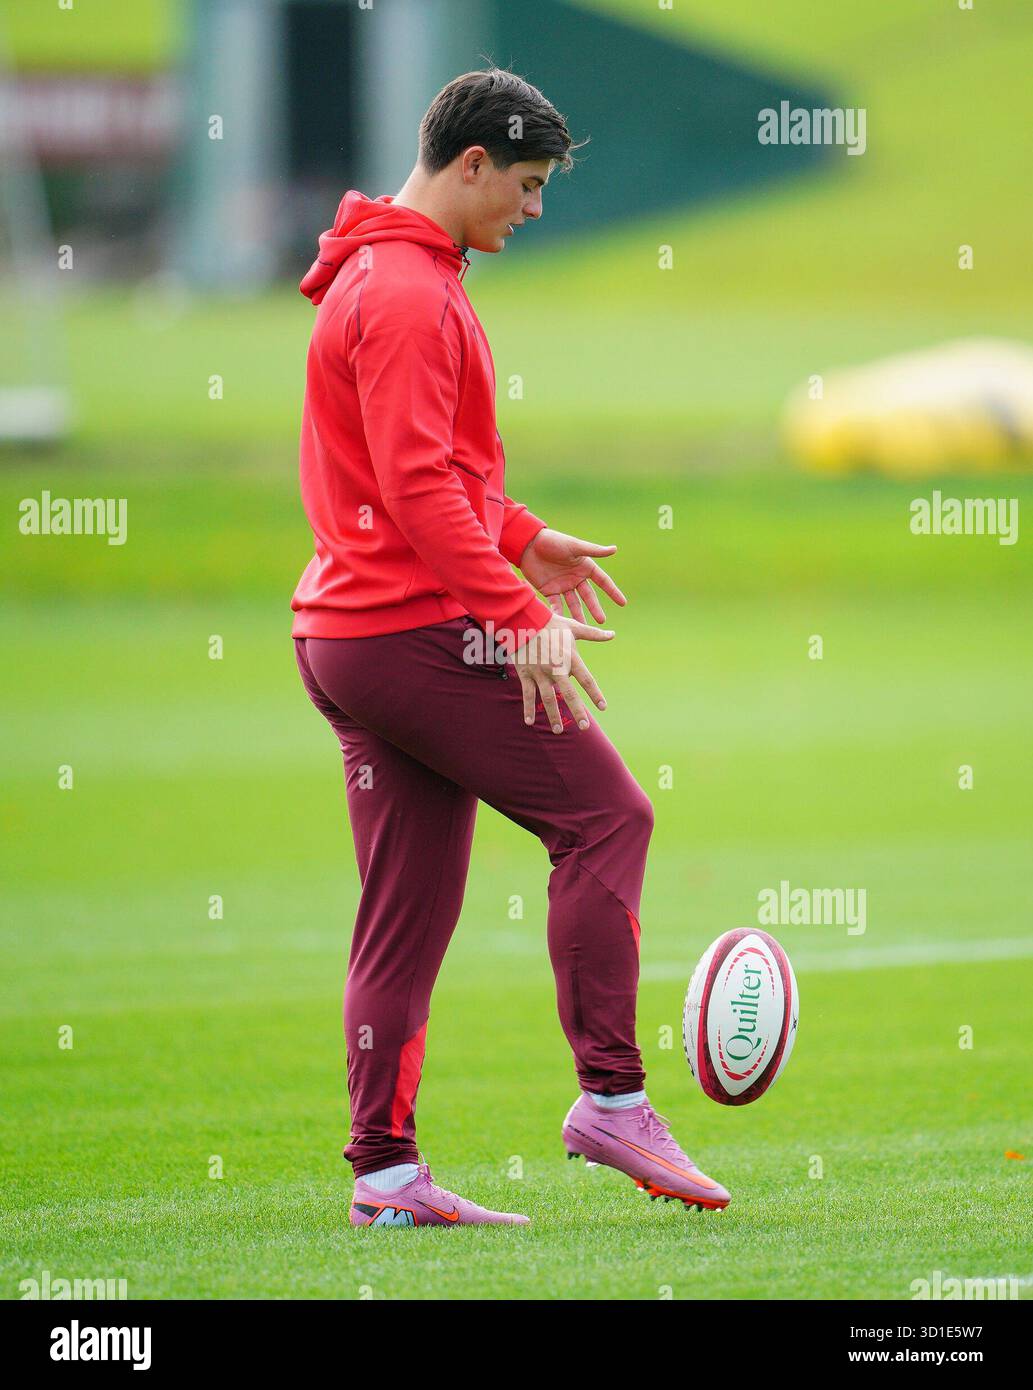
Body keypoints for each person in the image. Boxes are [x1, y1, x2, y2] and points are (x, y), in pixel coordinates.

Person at [291, 67, 729, 1227]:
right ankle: (611, 1099)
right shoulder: (405, 292)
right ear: (472, 163)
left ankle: (385, 1178)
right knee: (606, 817)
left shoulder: (393, 271)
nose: (535, 211)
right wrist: (516, 613)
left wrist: (524, 538)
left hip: (349, 636)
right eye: (527, 186)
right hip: (410, 634)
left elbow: (429, 473)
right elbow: (416, 486)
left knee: (405, 913)